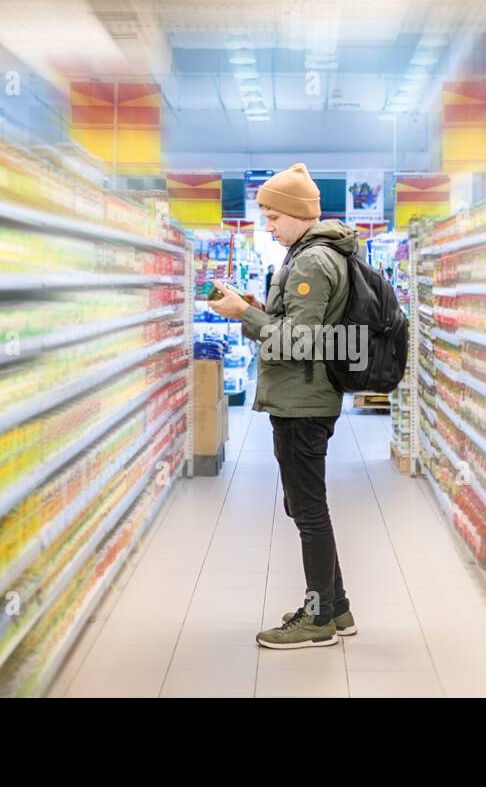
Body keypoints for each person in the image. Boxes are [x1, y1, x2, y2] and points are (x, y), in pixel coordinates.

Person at [207, 162, 357, 650]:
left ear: (297, 213)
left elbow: (301, 342)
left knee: (308, 511)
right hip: (305, 397)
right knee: (304, 505)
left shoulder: (311, 261)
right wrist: (258, 307)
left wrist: (245, 315)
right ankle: (336, 607)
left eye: (273, 216)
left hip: (302, 401)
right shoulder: (311, 254)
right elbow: (298, 324)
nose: (268, 226)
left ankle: (317, 619)